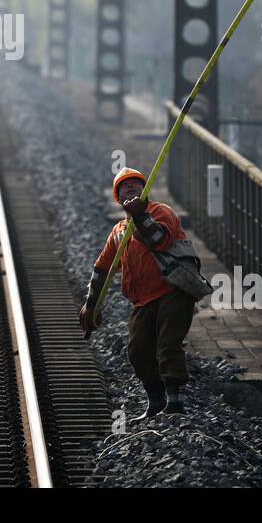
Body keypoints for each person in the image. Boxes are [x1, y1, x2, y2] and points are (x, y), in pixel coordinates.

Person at [79, 167, 198, 419]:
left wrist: (141, 216)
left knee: (168, 343)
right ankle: (155, 401)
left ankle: (175, 401)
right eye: (124, 187)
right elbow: (102, 269)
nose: (130, 188)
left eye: (136, 185)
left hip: (173, 290)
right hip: (143, 300)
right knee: (138, 350)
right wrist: (90, 305)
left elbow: (159, 241)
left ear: (145, 191)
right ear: (118, 198)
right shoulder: (119, 231)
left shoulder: (160, 212)